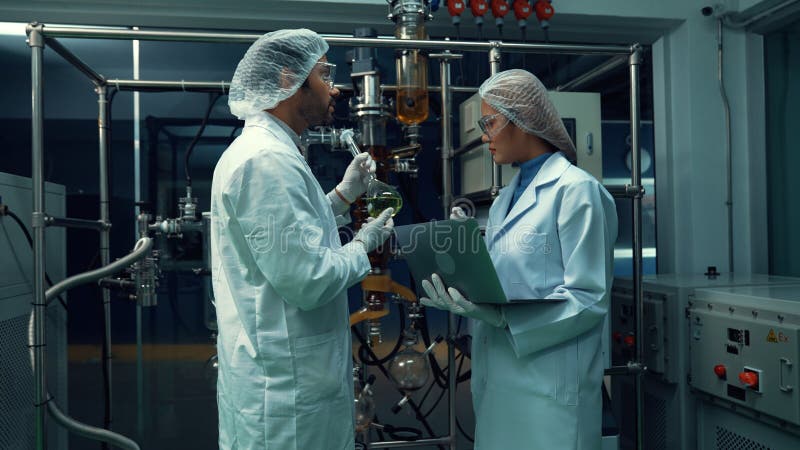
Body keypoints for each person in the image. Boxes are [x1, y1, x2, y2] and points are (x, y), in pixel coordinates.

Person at [209, 29, 394, 450]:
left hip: (280, 380)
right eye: (324, 74)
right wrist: (364, 244)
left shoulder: (269, 151)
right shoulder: (267, 161)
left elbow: (285, 236)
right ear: (287, 80)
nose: (335, 87)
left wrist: (343, 197)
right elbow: (309, 279)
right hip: (285, 397)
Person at [420, 69, 618, 449]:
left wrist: (503, 318)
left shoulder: (577, 192)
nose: (483, 135)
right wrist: (465, 265)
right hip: (501, 383)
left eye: (489, 122)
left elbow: (589, 298)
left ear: (522, 120)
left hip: (549, 391)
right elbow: (509, 277)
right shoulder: (503, 200)